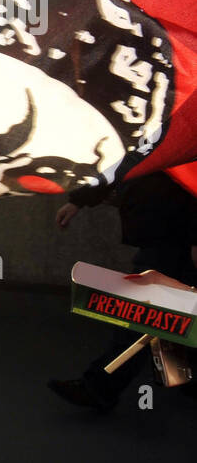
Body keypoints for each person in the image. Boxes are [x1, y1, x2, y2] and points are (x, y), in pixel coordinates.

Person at [48, 172, 197, 410]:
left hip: (172, 235)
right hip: (163, 233)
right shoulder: (152, 141)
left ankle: (100, 388)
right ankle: (182, 377)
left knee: (142, 314)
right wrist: (78, 200)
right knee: (173, 308)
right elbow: (129, 166)